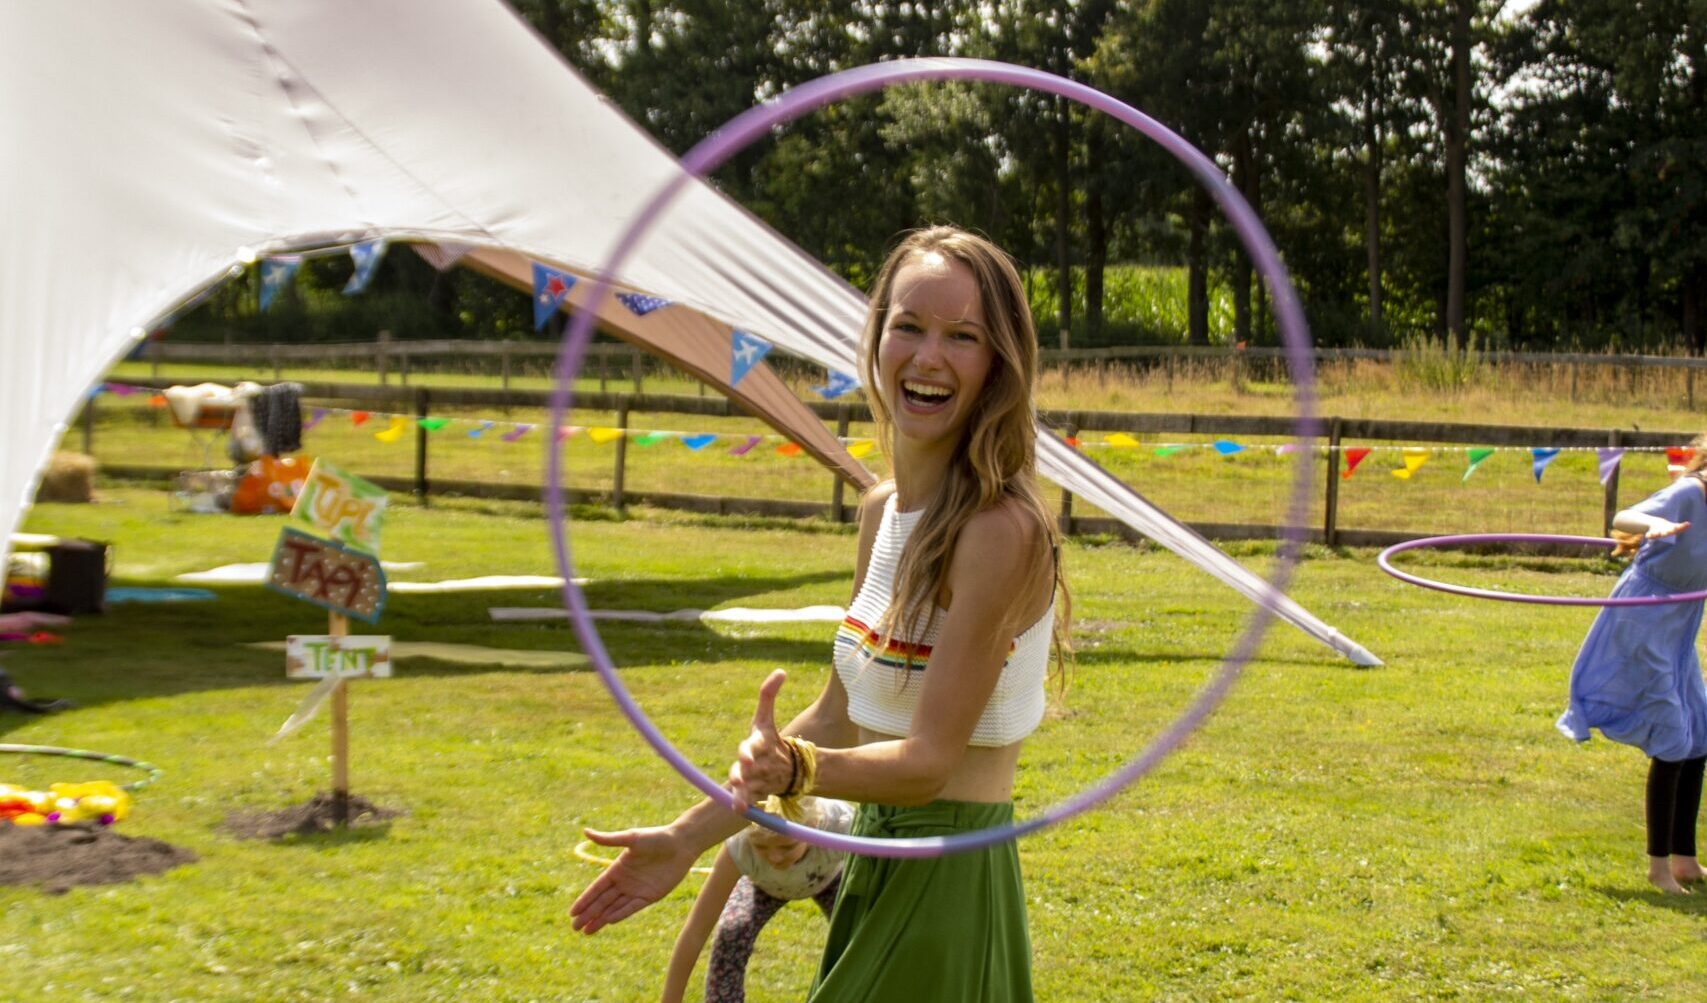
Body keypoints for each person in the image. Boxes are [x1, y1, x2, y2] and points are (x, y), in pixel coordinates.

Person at [571, 225, 1070, 1001]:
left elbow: (928, 763)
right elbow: (836, 717)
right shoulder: (882, 513)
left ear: (998, 364)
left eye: (962, 336)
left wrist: (796, 768)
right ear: (875, 341)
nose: (927, 356)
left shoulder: (999, 532)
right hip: (873, 862)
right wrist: (686, 835)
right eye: (908, 325)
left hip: (949, 883)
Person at [1558, 437, 1707, 894]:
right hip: (1643, 615)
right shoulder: (1689, 493)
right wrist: (1654, 525)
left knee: (1699, 732)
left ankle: (1685, 861)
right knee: (1672, 735)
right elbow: (1623, 518)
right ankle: (1658, 869)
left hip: (1678, 625)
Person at [662, 795, 854, 1003]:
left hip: (829, 880)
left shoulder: (841, 826)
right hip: (763, 886)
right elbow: (696, 930)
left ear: (813, 826)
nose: (775, 858)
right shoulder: (740, 846)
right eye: (761, 847)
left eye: (787, 847)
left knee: (858, 933)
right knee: (732, 931)